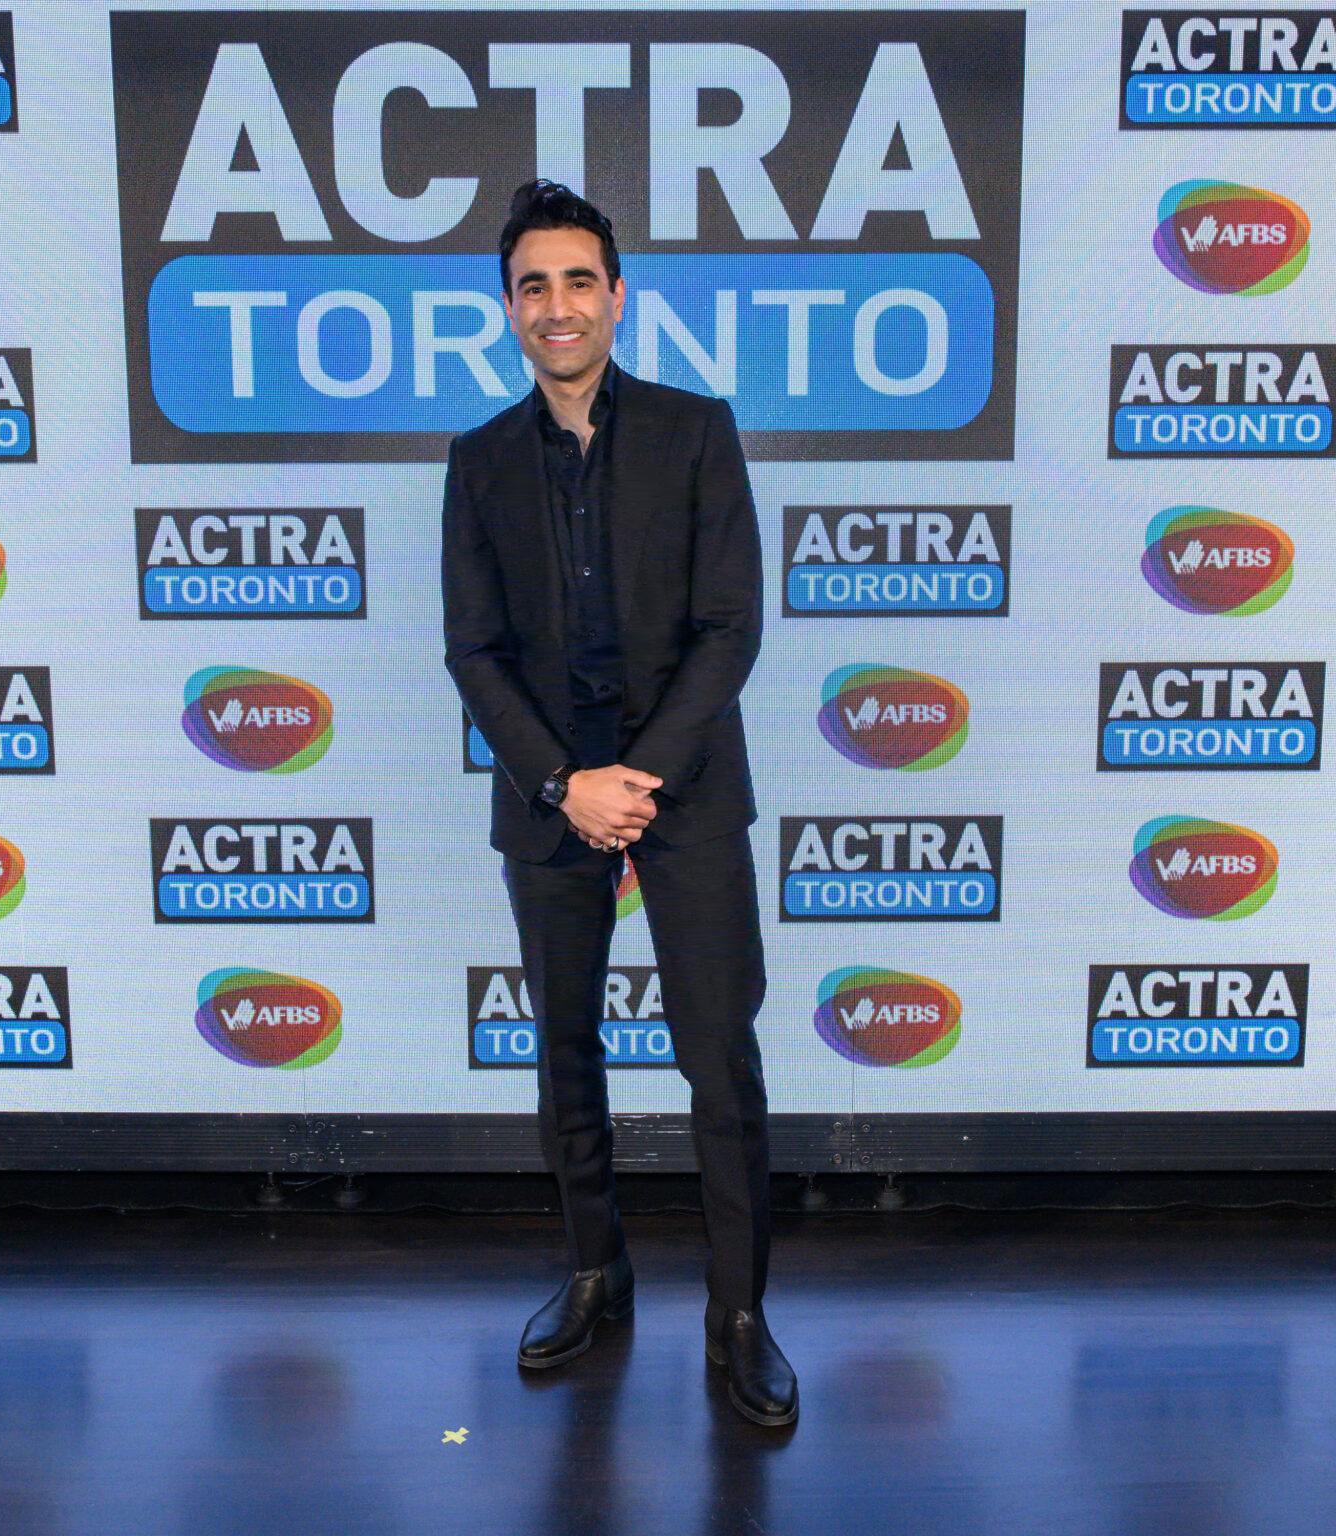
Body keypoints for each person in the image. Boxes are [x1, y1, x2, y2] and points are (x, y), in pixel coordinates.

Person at [442, 180, 797, 1427]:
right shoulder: (478, 461)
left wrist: (632, 781)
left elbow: (730, 625)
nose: (558, 306)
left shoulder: (699, 432)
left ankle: (740, 1311)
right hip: (549, 800)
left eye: (578, 280)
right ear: (509, 310)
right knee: (566, 1051)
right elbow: (473, 652)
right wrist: (562, 783)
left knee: (719, 1060)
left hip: (683, 786)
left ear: (617, 297)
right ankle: (597, 1270)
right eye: (532, 285)